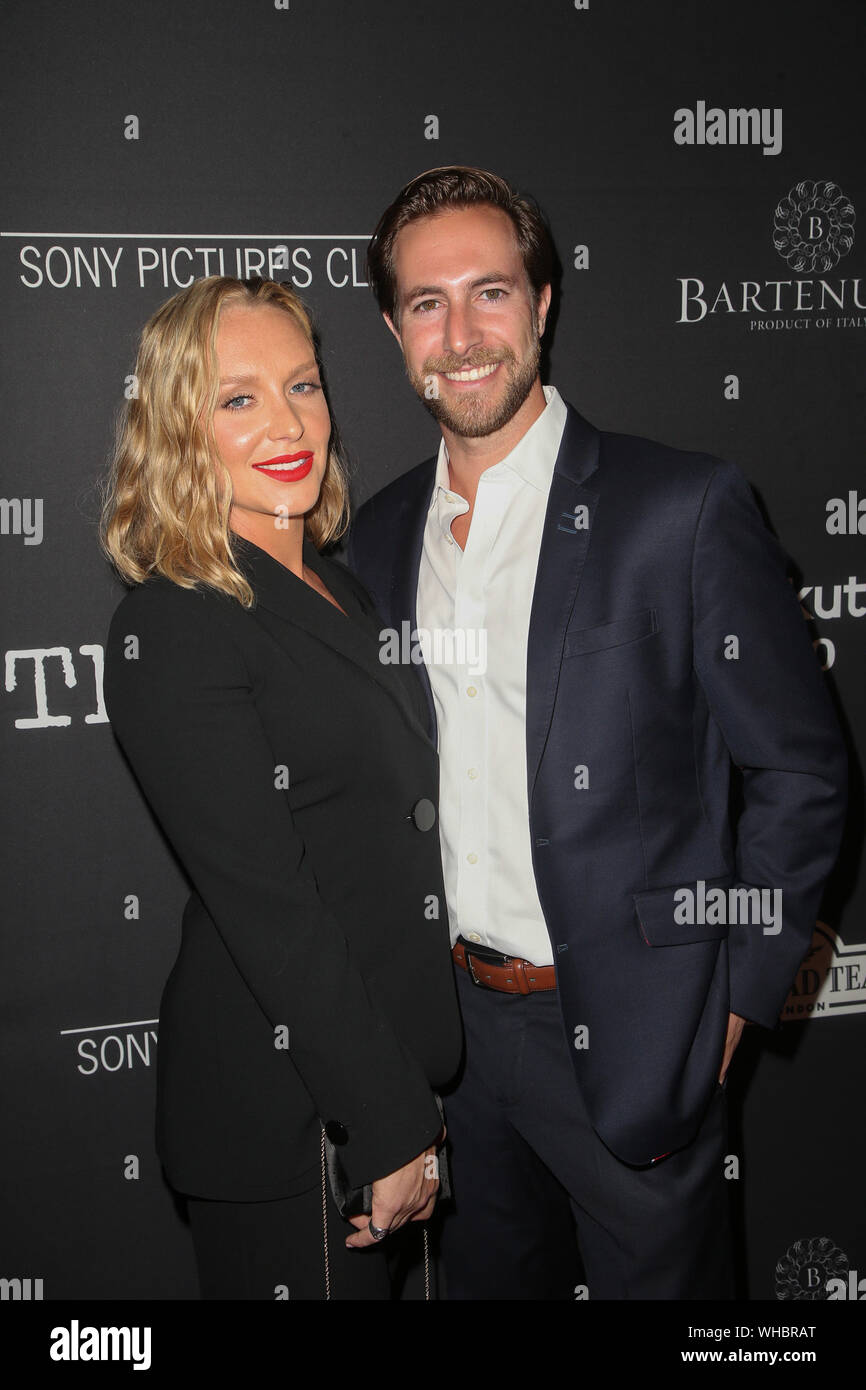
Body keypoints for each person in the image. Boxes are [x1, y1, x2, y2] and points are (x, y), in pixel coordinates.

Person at [348, 166, 848, 1300]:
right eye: (427, 303)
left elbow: (802, 771)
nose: (462, 332)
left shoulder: (677, 508)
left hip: (636, 1039)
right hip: (453, 1051)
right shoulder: (376, 541)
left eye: (490, 291)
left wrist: (728, 1006)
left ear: (541, 303)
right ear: (392, 329)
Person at [101, 275, 462, 1300]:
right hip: (293, 1119)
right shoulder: (171, 621)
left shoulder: (336, 586)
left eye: (301, 385)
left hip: (378, 1082)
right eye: (238, 397)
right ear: (177, 424)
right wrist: (386, 1117)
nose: (286, 422)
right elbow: (270, 905)